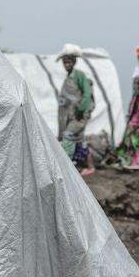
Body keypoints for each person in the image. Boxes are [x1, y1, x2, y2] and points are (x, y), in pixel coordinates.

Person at [55, 43, 97, 177]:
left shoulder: (79, 75)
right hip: (70, 116)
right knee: (78, 140)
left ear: (73, 62)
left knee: (68, 136)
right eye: (64, 62)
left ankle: (65, 169)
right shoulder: (69, 77)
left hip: (79, 115)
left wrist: (81, 108)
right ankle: (90, 167)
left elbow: (86, 92)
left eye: (68, 62)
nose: (66, 64)